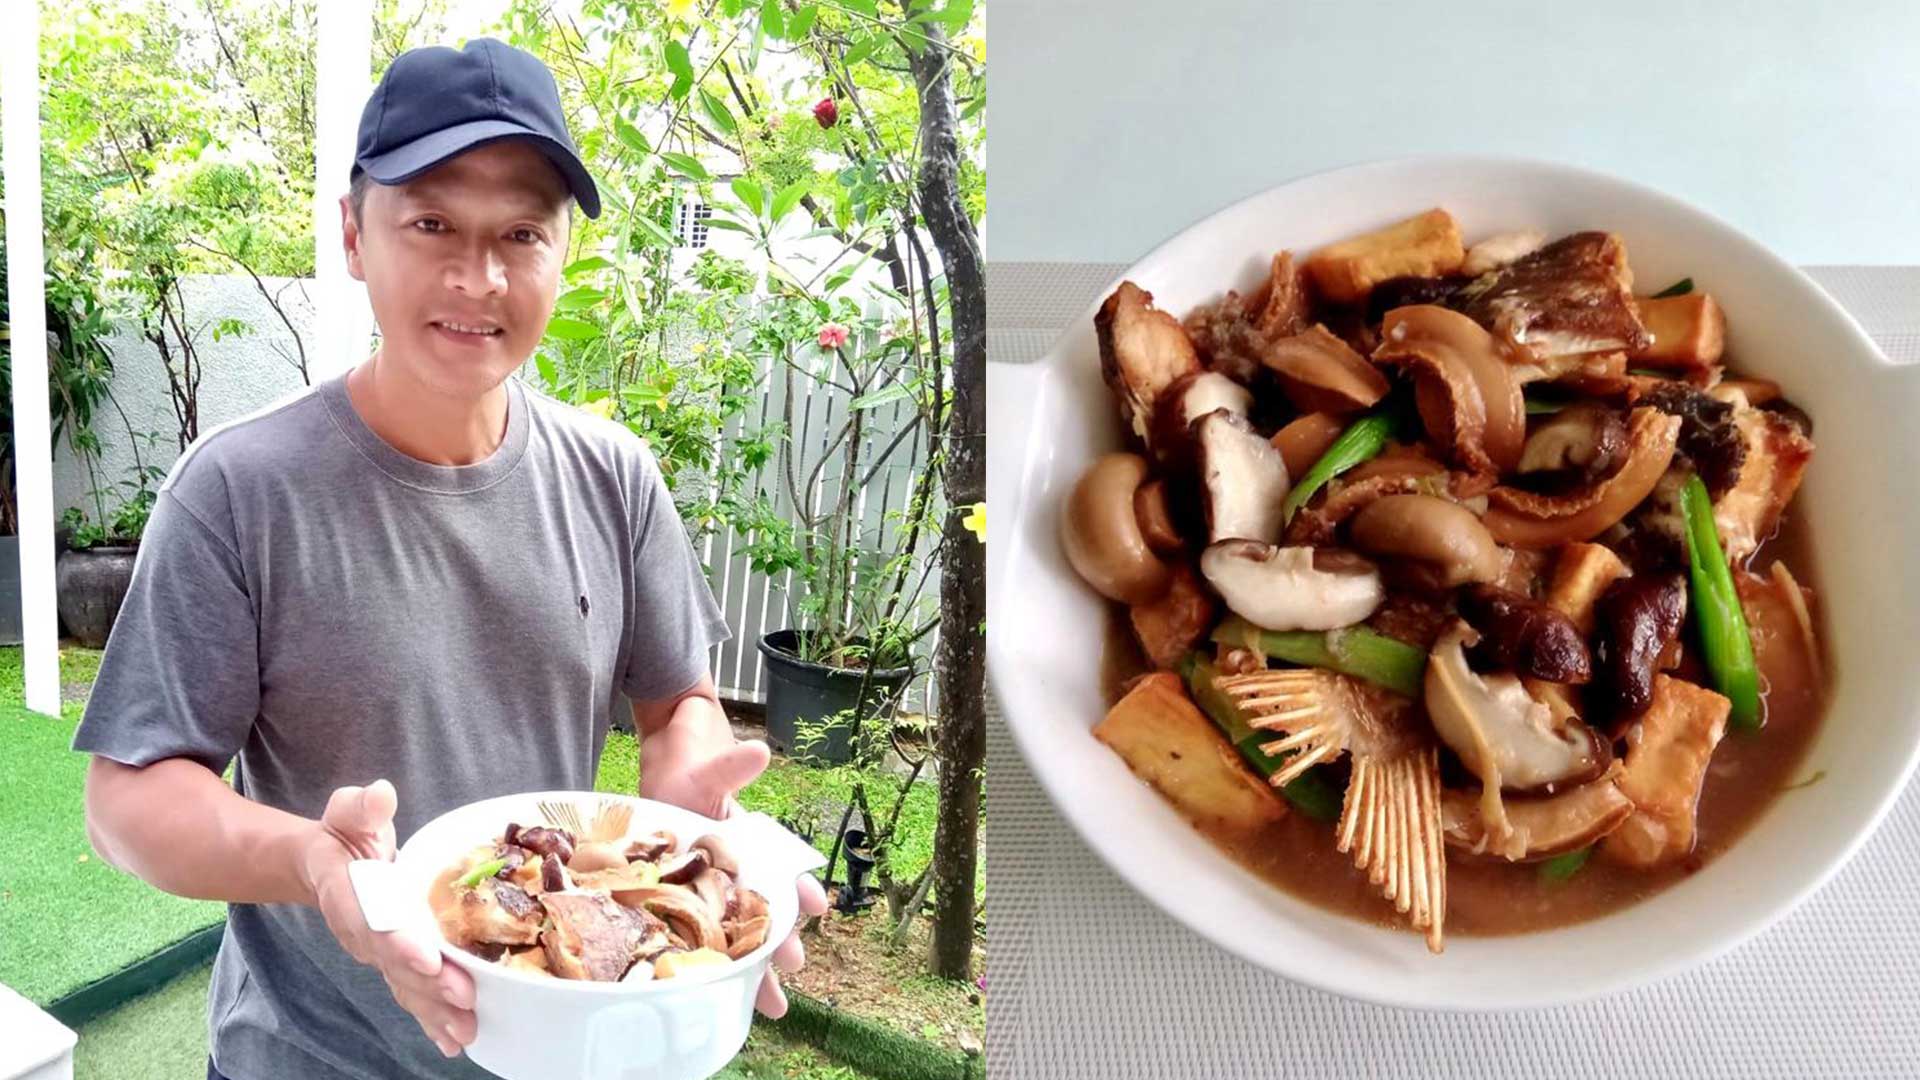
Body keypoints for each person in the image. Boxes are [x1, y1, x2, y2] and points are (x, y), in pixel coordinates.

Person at [73, 37, 826, 1080]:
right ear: (352, 235)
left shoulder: (612, 474)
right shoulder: (239, 490)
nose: (479, 278)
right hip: (310, 1057)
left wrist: (686, 782)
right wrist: (312, 862)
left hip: (556, 1040)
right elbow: (129, 799)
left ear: (563, 254)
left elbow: (675, 700)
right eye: (431, 223)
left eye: (522, 232)